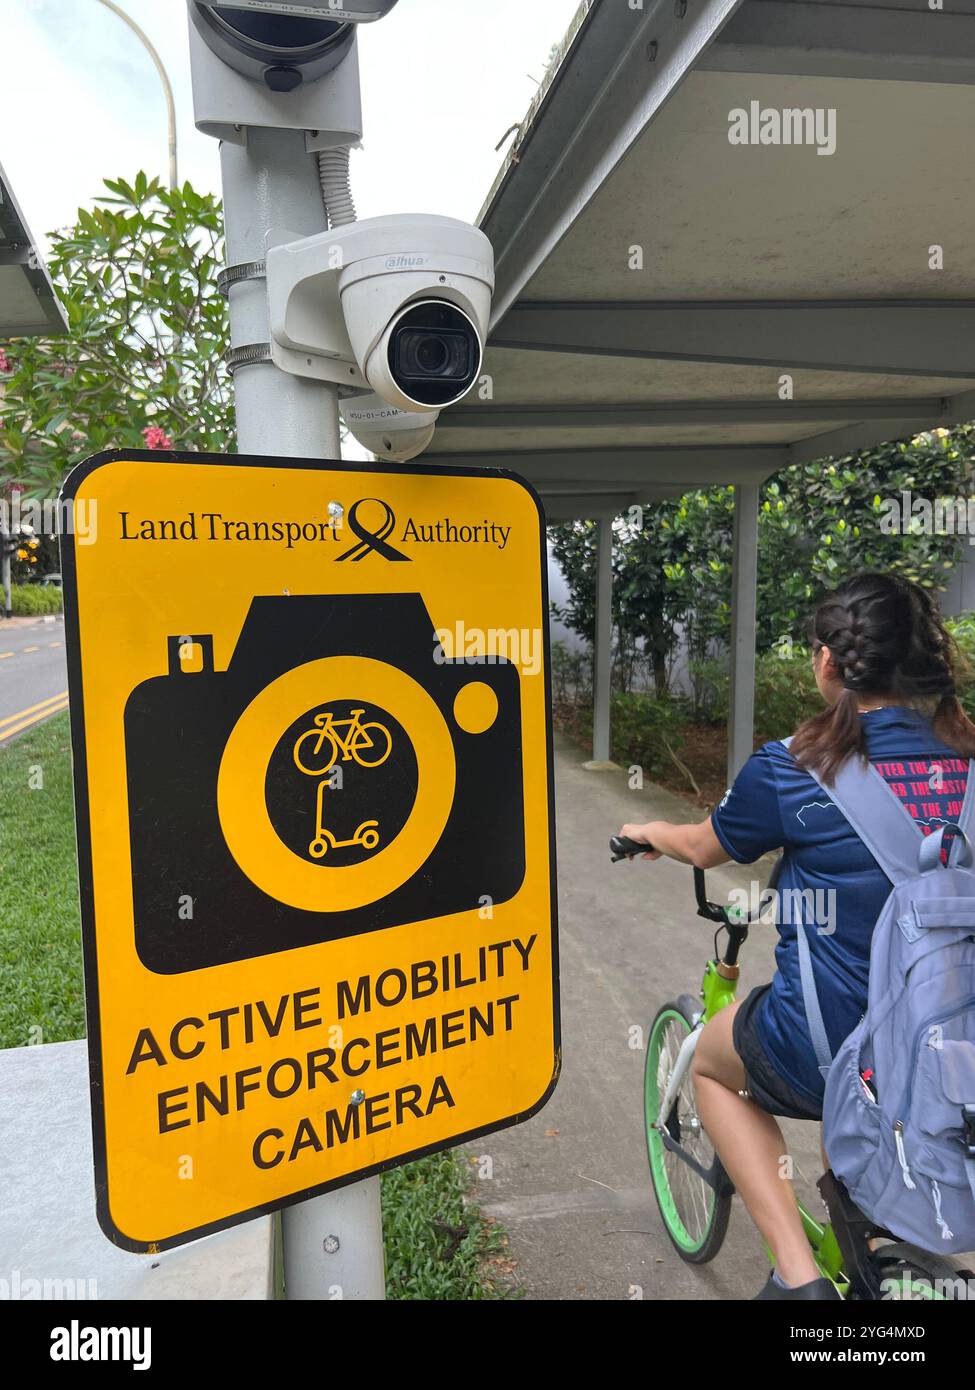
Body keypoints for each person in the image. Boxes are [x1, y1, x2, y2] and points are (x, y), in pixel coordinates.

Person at [618, 571, 975, 1300]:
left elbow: (701, 844)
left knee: (713, 1068)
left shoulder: (791, 769)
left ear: (824, 662)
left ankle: (797, 1274)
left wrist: (645, 830)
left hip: (834, 1051)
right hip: (958, 1053)